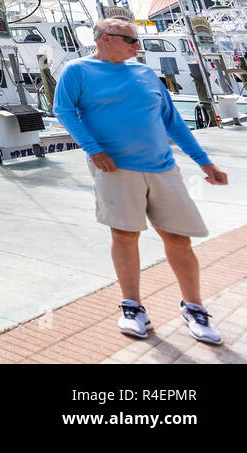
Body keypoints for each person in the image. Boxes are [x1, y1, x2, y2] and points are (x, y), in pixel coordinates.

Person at [54, 17, 230, 344]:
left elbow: (172, 122)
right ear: (106, 39)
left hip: (163, 168)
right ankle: (132, 306)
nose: (138, 47)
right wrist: (94, 150)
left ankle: (194, 307)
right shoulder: (77, 70)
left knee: (179, 239)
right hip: (114, 170)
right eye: (131, 41)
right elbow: (64, 110)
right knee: (124, 236)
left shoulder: (145, 73)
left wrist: (205, 163)